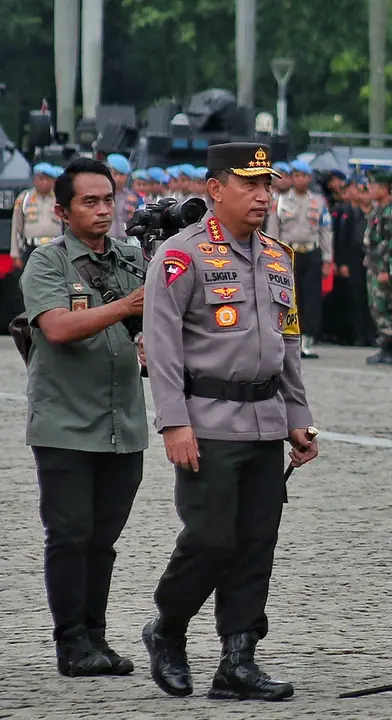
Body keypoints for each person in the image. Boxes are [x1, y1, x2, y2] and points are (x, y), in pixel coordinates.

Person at [140, 142, 318, 702]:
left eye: (268, 186)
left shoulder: (276, 255)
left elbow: (288, 343)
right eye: (251, 185)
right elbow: (163, 347)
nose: (264, 196)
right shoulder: (181, 255)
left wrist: (298, 417)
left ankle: (238, 661)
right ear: (216, 189)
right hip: (208, 422)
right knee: (211, 539)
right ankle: (166, 628)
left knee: (255, 543)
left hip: (265, 422)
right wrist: (173, 422)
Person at [20, 157, 147, 677]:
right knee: (69, 535)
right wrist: (128, 307)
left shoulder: (132, 259)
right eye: (88, 202)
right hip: (66, 426)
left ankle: (96, 637)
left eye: (108, 200)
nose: (101, 210)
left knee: (103, 539)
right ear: (63, 212)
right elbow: (58, 328)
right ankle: (70, 642)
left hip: (124, 425)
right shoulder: (46, 263)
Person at [265, 158, 332, 358]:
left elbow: (326, 230)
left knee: (311, 298)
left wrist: (328, 258)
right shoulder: (281, 201)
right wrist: (271, 255)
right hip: (288, 253)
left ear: (309, 178)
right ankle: (288, 339)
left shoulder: (318, 202)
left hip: (311, 252)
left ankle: (308, 340)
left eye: (304, 176)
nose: (300, 179)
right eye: (296, 176)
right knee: (289, 296)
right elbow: (273, 230)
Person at [11, 163, 62, 269]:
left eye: (48, 179)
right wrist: (15, 255)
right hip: (31, 248)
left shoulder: (60, 199)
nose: (44, 182)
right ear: (34, 180)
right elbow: (16, 227)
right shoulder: (24, 198)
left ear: (53, 181)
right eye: (41, 178)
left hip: (56, 249)